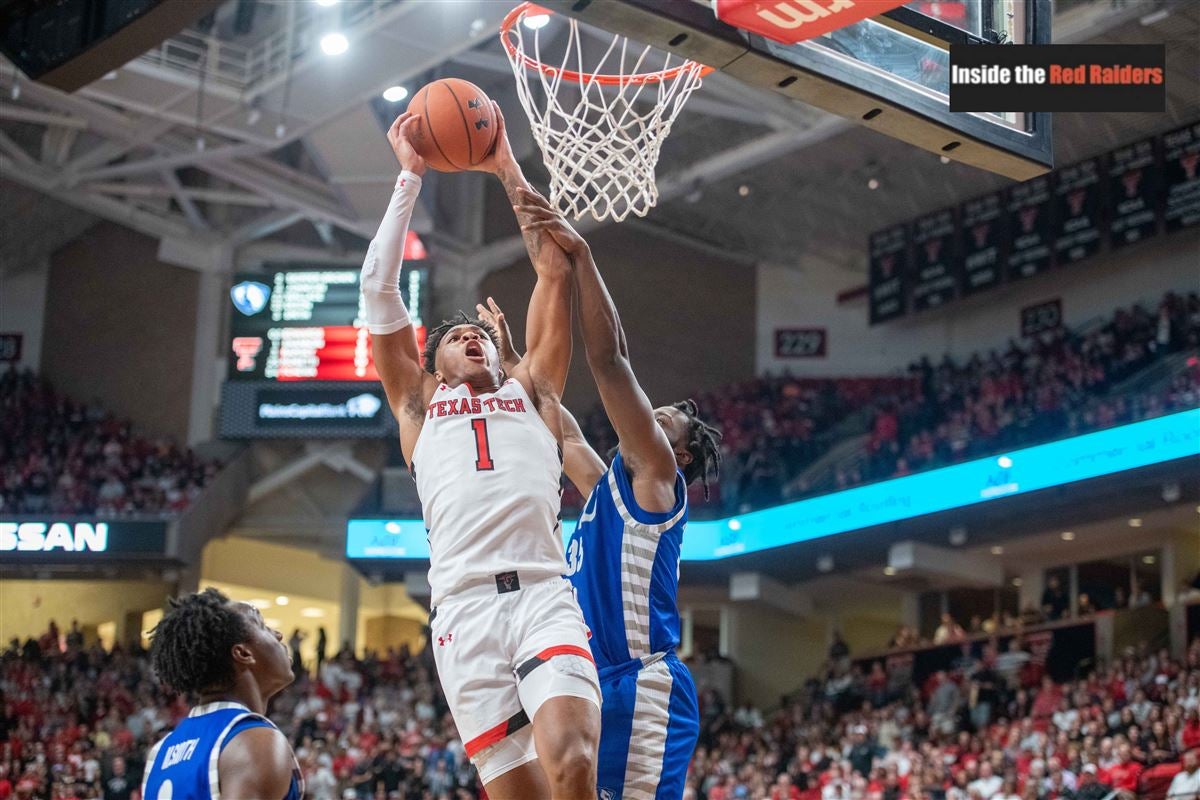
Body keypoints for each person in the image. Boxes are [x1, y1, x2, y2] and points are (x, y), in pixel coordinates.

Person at [362, 109, 599, 799]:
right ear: (431, 362)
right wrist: (410, 176)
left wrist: (504, 165)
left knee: (573, 763)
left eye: (482, 335)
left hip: (542, 594)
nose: (472, 338)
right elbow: (378, 290)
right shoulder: (418, 405)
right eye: (455, 336)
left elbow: (552, 271)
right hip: (463, 614)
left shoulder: (533, 390)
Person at [495, 187, 723, 800]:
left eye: (665, 417)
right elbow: (557, 419)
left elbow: (610, 359)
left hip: (641, 682)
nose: (654, 414)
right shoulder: (606, 488)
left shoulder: (656, 476)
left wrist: (584, 258)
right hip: (594, 681)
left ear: (678, 454)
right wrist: (515, 365)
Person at [142, 588, 302, 799]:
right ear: (243, 653)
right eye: (262, 625)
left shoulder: (160, 753)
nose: (278, 634)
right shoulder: (254, 740)